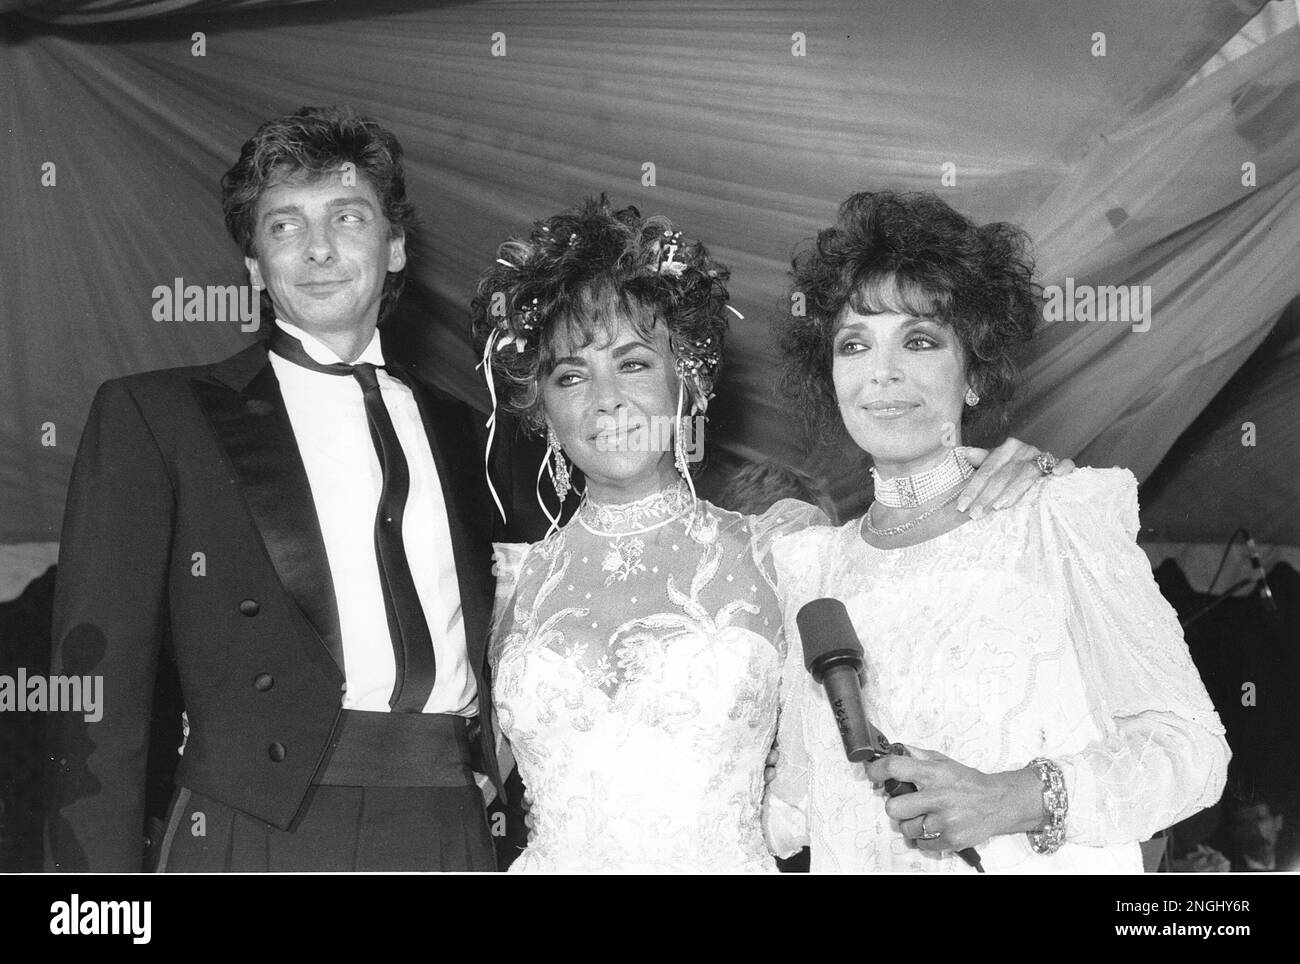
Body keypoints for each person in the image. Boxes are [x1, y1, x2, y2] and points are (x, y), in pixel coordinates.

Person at [471, 196, 1066, 872]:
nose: (605, 396)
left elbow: (898, 731)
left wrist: (1027, 479)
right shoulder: (510, 583)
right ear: (542, 410)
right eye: (570, 374)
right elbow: (471, 782)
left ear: (687, 380)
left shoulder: (783, 552)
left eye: (633, 363)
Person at [45, 106, 503, 872]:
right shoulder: (158, 416)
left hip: (449, 820)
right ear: (255, 267)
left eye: (347, 217)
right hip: (253, 826)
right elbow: (96, 696)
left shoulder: (474, 432)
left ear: (394, 248)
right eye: (285, 226)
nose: (319, 248)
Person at [767, 191, 1229, 873]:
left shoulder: (1055, 518)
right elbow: (793, 811)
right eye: (854, 344)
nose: (882, 371)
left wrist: (1013, 798)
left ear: (975, 374)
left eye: (919, 341)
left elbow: (1192, 751)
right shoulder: (810, 569)